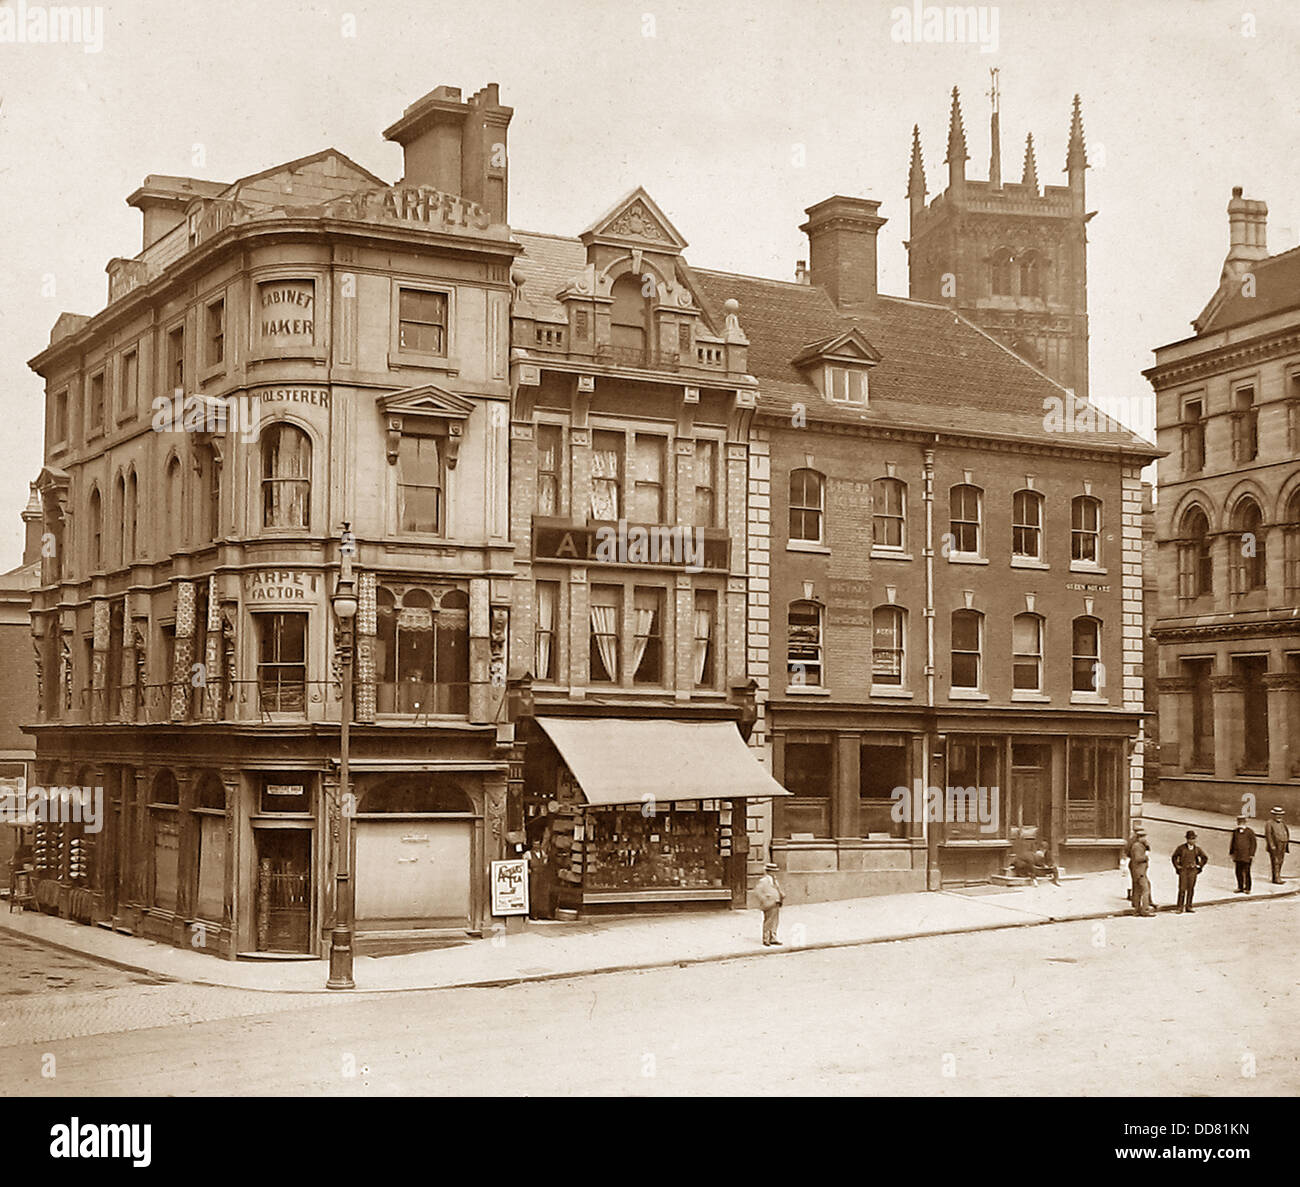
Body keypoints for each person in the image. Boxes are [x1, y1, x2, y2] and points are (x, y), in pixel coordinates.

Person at [1171, 829, 1208, 913]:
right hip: (1183, 870)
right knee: (1182, 889)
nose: (1192, 841)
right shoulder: (1181, 848)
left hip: (1193, 871)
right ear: (1187, 839)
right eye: (1190, 839)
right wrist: (1177, 867)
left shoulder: (1197, 849)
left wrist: (1199, 866)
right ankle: (1180, 907)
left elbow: (1204, 858)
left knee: (1191, 888)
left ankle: (1189, 906)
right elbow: (1174, 857)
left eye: (1193, 839)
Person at [1125, 822, 1155, 916]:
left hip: (1138, 870)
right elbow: (1137, 858)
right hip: (1139, 871)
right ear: (1139, 836)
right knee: (1145, 890)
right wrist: (1145, 857)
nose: (1145, 838)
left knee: (1138, 889)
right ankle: (1145, 910)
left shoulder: (1140, 844)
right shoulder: (1136, 845)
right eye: (1143, 837)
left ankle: (1137, 910)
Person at [754, 861, 783, 946]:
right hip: (769, 904)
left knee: (775, 921)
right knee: (768, 921)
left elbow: (777, 889)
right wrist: (765, 899)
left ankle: (773, 937)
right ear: (769, 871)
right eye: (773, 871)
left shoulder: (775, 880)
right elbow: (757, 891)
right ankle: (766, 938)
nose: (775, 873)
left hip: (776, 902)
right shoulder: (763, 881)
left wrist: (781, 895)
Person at [1229, 815, 1257, 894]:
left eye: (1242, 822)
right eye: (1239, 822)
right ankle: (1240, 887)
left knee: (1247, 872)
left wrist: (1251, 854)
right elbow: (1233, 842)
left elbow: (1253, 843)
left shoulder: (1250, 832)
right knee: (1238, 871)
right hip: (1238, 855)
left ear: (1245, 822)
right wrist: (1231, 852)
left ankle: (1248, 888)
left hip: (1246, 856)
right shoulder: (1235, 832)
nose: (1240, 823)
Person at [1265, 807, 1289, 884]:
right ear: (1273, 815)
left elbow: (1286, 832)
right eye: (1277, 815)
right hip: (1275, 846)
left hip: (1283, 844)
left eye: (1281, 815)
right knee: (1275, 861)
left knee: (1281, 861)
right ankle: (1276, 878)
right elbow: (1268, 835)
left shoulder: (1282, 823)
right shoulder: (1269, 823)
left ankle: (1278, 876)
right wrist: (1271, 845)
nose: (1279, 816)